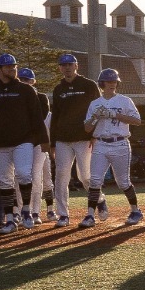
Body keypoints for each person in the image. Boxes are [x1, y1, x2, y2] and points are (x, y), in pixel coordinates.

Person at [0, 53, 45, 233]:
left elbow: (36, 117)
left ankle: (26, 212)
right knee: (4, 181)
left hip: (23, 140)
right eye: (7, 67)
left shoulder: (26, 90)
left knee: (23, 174)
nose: (12, 69)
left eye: (14, 66)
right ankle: (9, 220)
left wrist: (43, 140)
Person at [81, 68, 145, 226]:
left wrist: (115, 115)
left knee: (123, 182)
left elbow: (137, 121)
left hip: (120, 143)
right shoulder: (95, 103)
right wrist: (96, 117)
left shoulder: (124, 100)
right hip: (101, 143)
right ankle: (90, 215)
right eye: (108, 81)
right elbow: (87, 129)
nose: (112, 84)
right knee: (94, 180)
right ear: (102, 84)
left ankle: (136, 211)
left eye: (114, 81)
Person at [50, 53, 102, 226]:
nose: (67, 67)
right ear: (59, 68)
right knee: (61, 177)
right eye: (63, 65)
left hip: (83, 138)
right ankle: (63, 215)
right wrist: (52, 143)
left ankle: (99, 199)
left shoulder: (89, 85)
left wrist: (94, 134)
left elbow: (98, 111)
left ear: (76, 66)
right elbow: (55, 116)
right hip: (63, 140)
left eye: (70, 64)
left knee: (85, 176)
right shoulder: (58, 89)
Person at [16, 66, 53, 226]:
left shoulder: (41, 97)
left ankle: (35, 211)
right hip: (20, 140)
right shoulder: (15, 96)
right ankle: (20, 211)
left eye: (28, 80)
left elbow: (40, 116)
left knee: (36, 176)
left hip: (37, 142)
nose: (25, 82)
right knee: (19, 177)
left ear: (33, 81)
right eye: (22, 79)